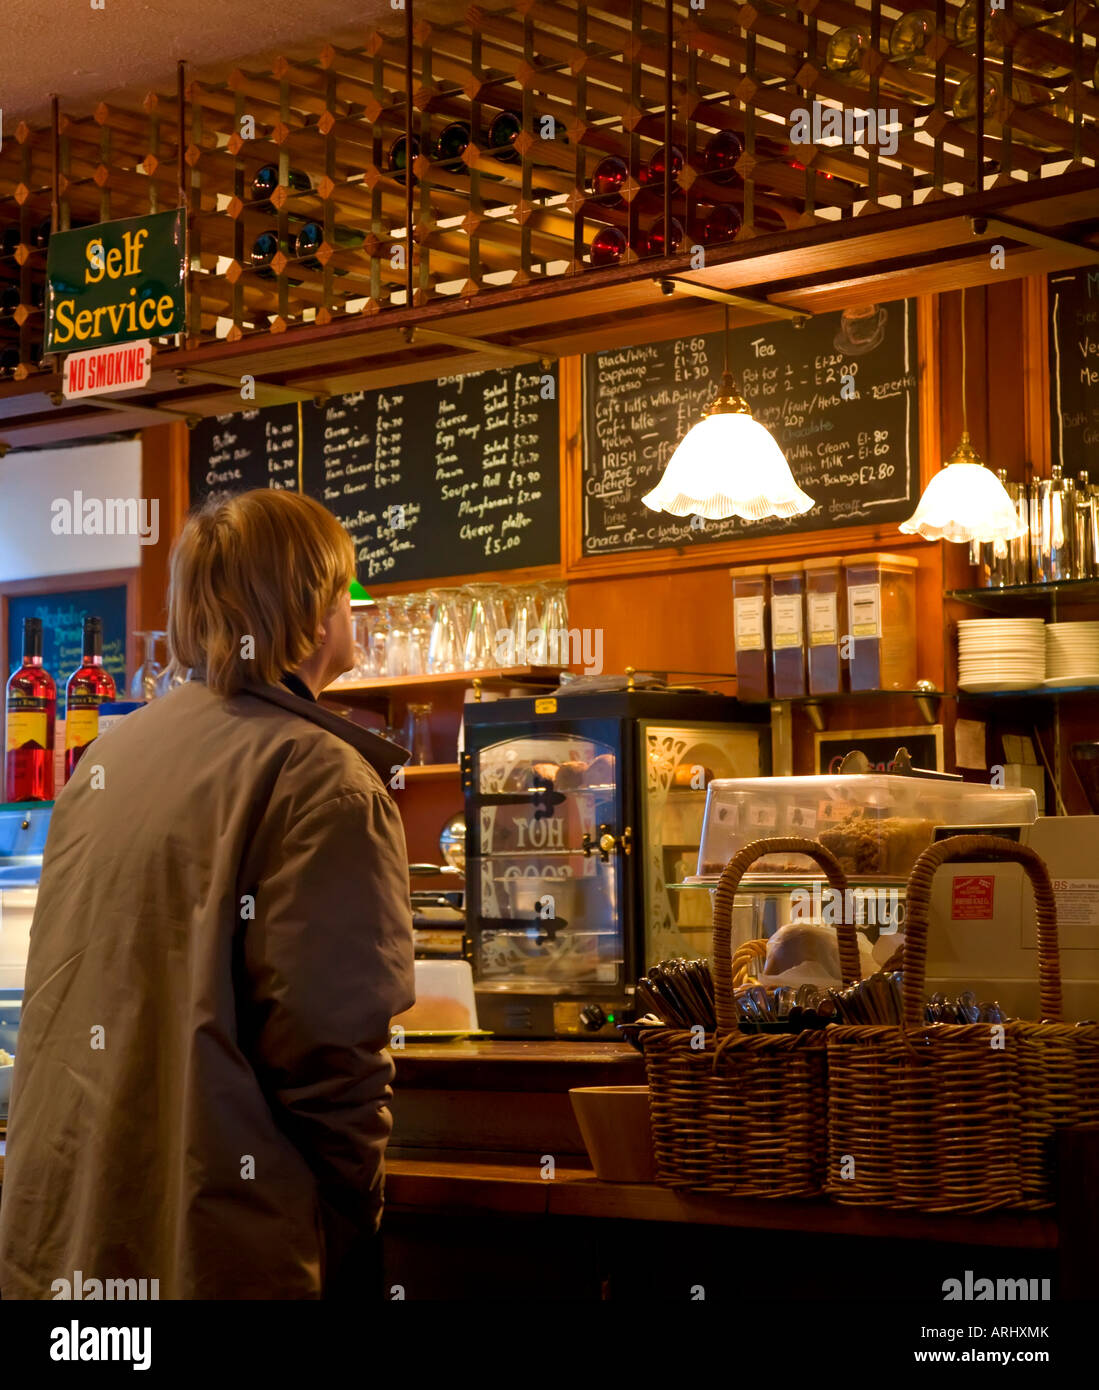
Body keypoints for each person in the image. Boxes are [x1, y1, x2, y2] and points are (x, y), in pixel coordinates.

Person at [0, 490, 415, 1299]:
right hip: (221, 1240)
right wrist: (353, 1214)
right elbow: (330, 1048)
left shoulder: (107, 763)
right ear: (315, 609)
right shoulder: (320, 777)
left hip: (68, 1236)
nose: (350, 608)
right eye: (345, 588)